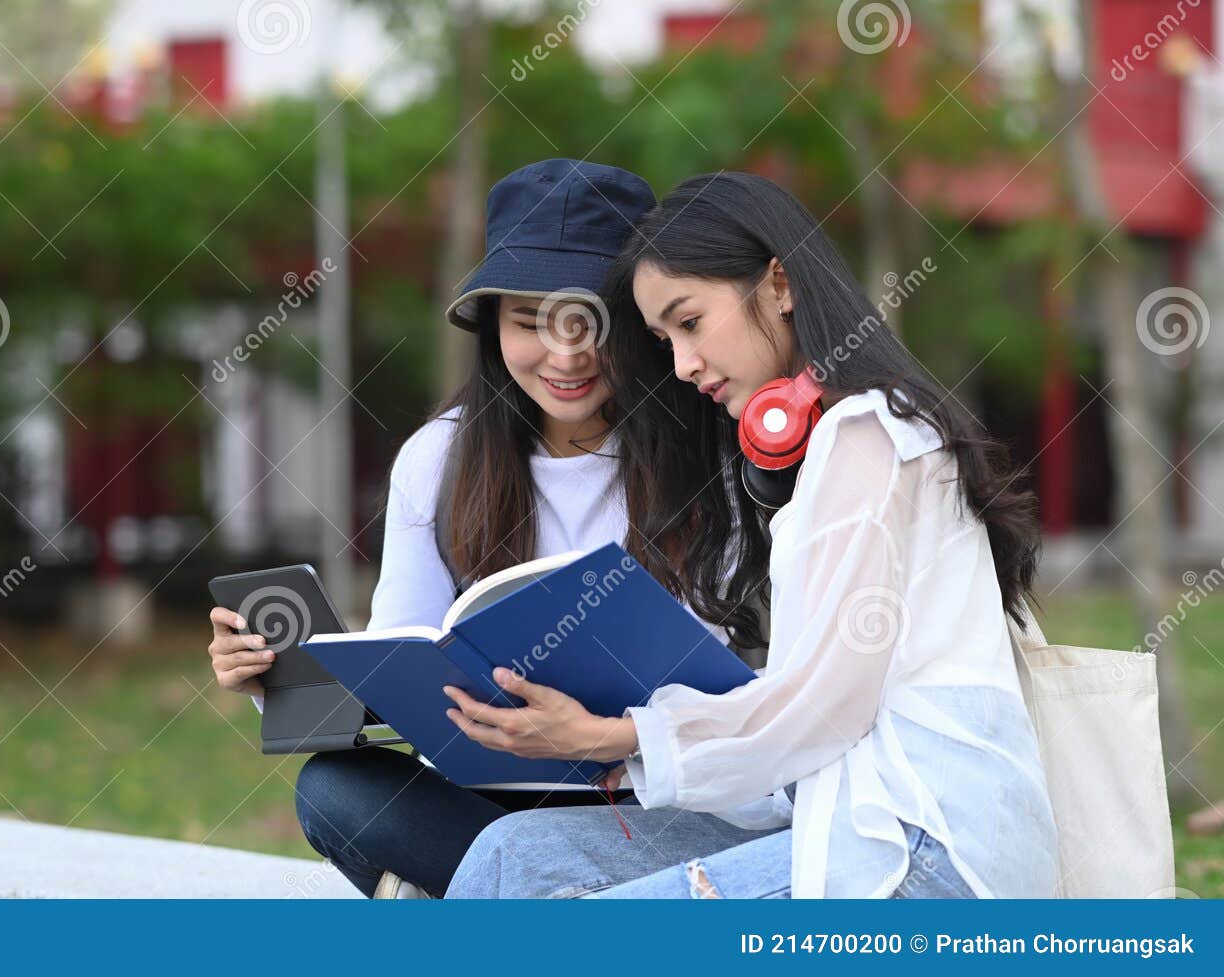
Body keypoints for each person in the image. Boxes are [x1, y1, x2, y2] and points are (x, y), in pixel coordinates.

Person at [442, 171, 1058, 899]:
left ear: (779, 283)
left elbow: (822, 706)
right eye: (663, 338)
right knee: (513, 854)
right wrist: (651, 752)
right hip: (841, 815)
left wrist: (615, 736)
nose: (682, 364)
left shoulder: (867, 436)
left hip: (919, 849)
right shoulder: (838, 440)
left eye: (691, 321)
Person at [207, 159, 732, 898]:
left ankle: (502, 898)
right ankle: (543, 898)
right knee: (336, 789)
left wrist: (608, 730)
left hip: (658, 800)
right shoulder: (440, 458)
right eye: (529, 322)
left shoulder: (712, 451)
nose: (566, 353)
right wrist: (279, 676)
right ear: (491, 328)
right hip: (489, 797)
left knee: (544, 857)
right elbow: (405, 656)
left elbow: (742, 689)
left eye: (594, 322)